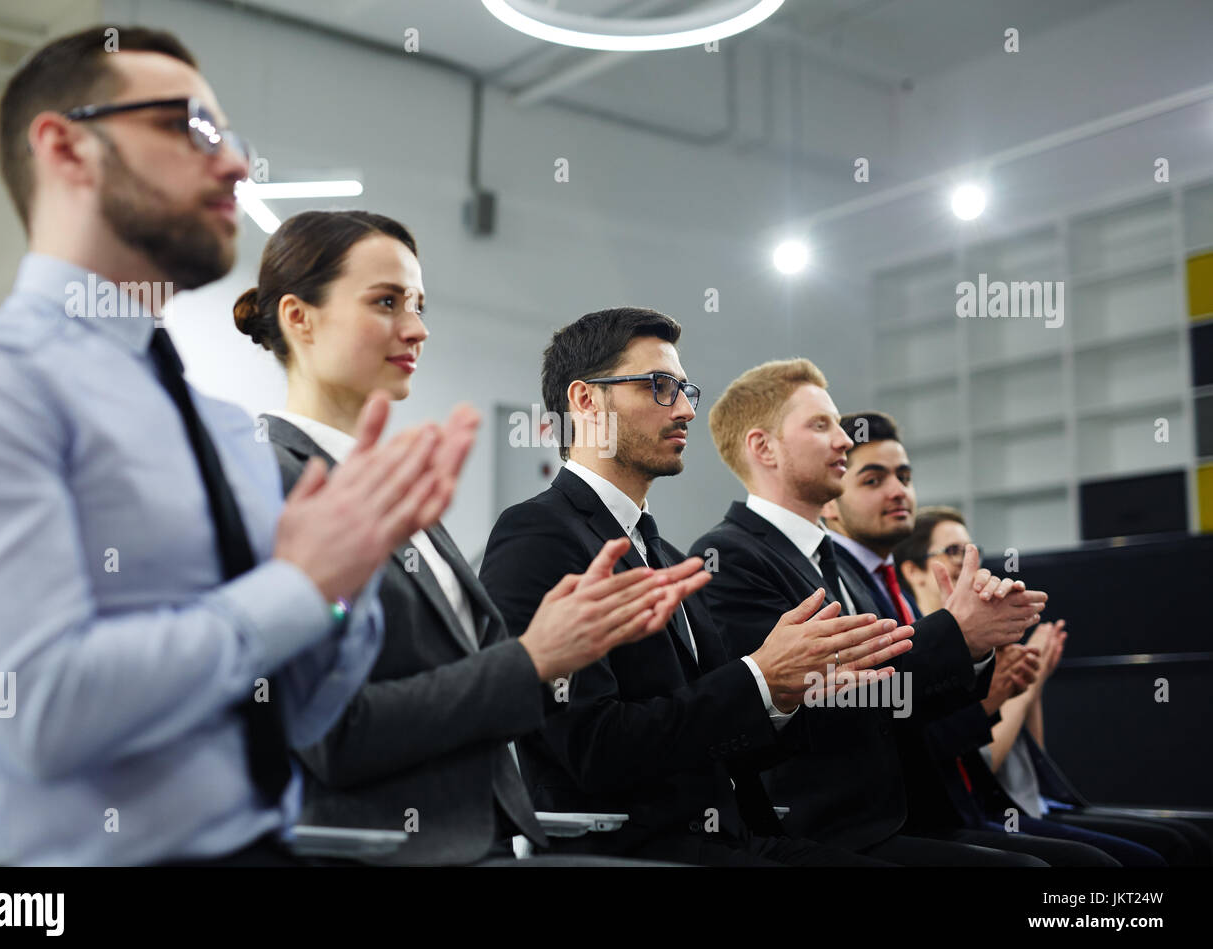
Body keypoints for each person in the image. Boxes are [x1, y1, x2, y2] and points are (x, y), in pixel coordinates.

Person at [0, 25, 474, 866]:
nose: (237, 167)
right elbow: (41, 711)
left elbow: (293, 714)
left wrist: (345, 577)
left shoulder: (218, 429)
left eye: (233, 139)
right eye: (189, 128)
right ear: (66, 148)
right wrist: (301, 584)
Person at [235, 212, 705, 865]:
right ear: (299, 318)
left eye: (420, 305)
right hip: (387, 849)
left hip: (485, 840)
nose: (418, 328)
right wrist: (534, 659)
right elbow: (331, 735)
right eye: (386, 302)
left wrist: (560, 651)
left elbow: (472, 691)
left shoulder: (399, 499)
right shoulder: (268, 481)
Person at [481, 308, 916, 866]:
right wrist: (761, 676)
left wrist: (787, 693)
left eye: (685, 388)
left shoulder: (665, 553)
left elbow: (719, 731)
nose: (686, 408)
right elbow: (591, 748)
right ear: (586, 402)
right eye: (660, 387)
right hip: (637, 850)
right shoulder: (538, 533)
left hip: (734, 835)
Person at [693, 360, 1055, 865]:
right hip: (825, 828)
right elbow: (818, 701)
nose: (843, 440)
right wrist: (957, 632)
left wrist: (971, 649)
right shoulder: (729, 557)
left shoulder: (841, 560)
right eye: (821, 425)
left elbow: (899, 695)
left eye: (839, 425)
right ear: (763, 448)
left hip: (896, 815)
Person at [819, 414, 1123, 865]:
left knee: (1176, 843)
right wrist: (997, 690)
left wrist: (1015, 677)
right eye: (873, 479)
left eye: (904, 476)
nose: (899, 490)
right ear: (831, 503)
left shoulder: (888, 590)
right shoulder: (842, 590)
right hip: (912, 818)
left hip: (977, 805)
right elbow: (907, 736)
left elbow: (1018, 753)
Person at [896, 507, 1208, 867]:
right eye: (953, 551)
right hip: (984, 811)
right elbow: (981, 761)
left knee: (1186, 839)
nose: (969, 562)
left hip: (1029, 801)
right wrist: (1021, 686)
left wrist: (1032, 682)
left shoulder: (978, 642)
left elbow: (1031, 757)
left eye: (971, 550)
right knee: (1153, 853)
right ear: (914, 571)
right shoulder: (923, 650)